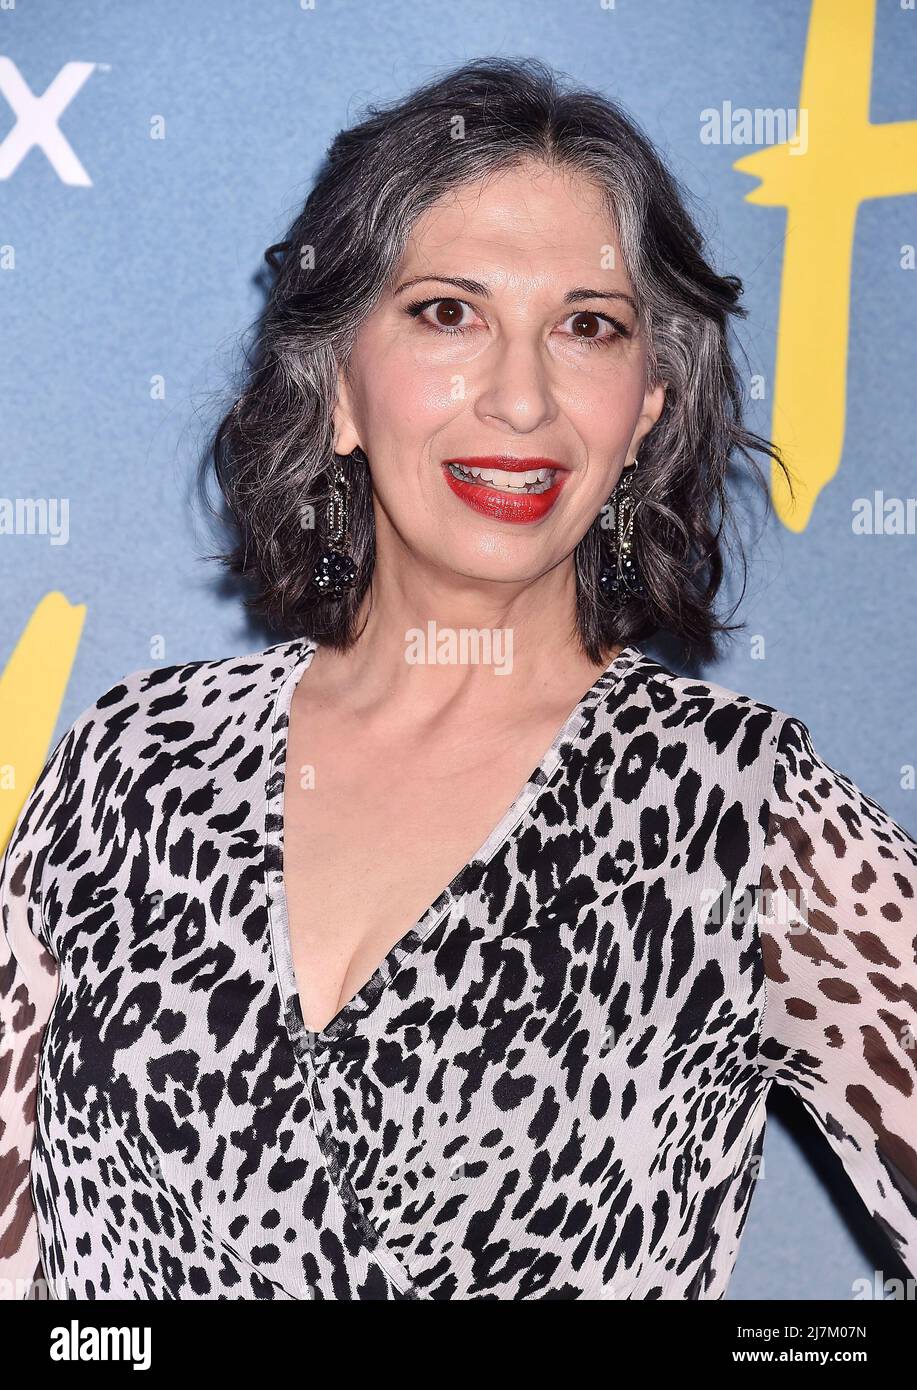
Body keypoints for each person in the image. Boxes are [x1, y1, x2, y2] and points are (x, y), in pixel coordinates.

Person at [1, 57, 915, 1302]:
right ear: (335, 384)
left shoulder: (739, 814)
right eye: (447, 312)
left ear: (645, 407)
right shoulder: (132, 768)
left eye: (586, 326)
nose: (521, 395)